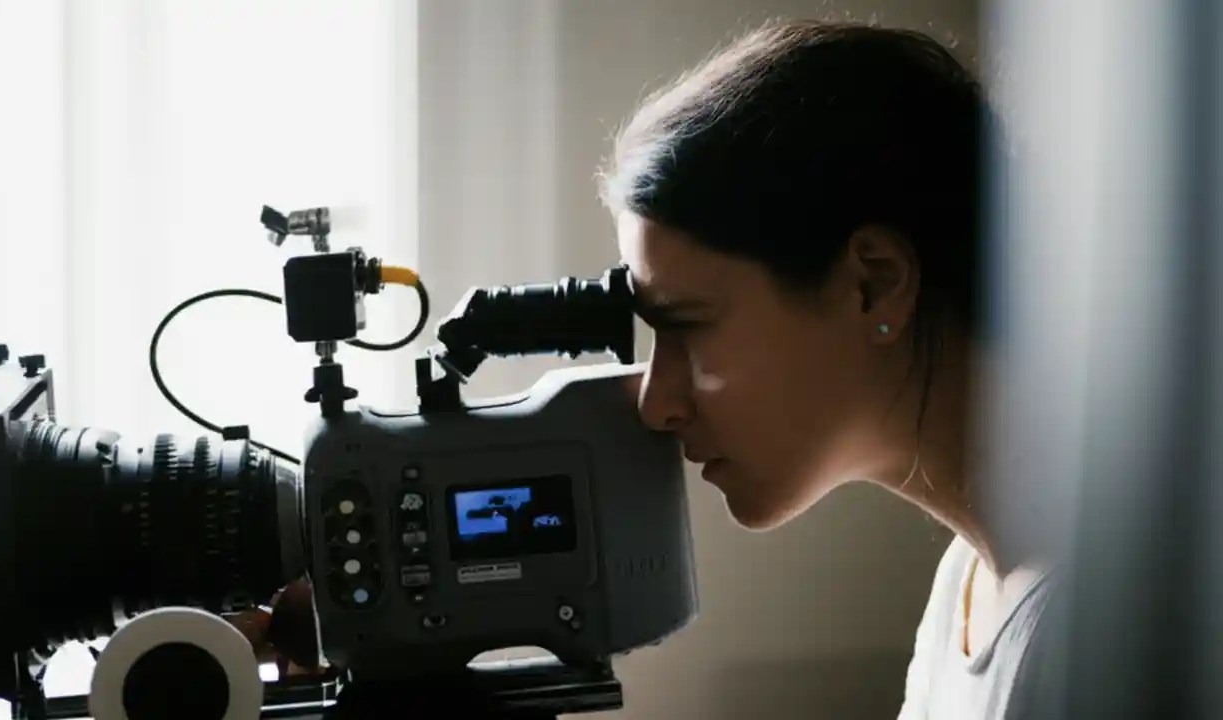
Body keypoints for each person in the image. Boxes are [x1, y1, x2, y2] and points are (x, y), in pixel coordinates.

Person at [241, 18, 1063, 719]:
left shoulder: (1085, 632)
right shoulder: (971, 586)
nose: (657, 402)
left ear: (872, 282)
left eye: (689, 328)